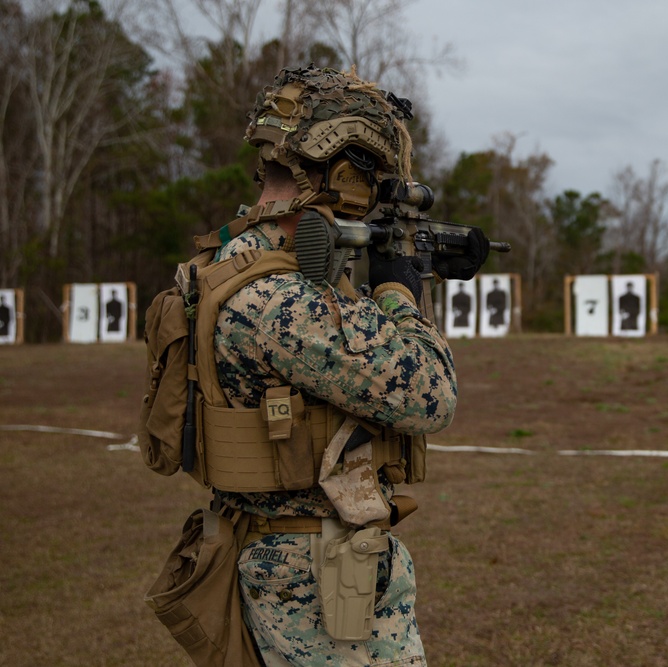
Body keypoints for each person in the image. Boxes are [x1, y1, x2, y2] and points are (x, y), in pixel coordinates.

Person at [199, 66, 483, 666]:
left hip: (280, 559)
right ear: (344, 173)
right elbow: (430, 394)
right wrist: (399, 292)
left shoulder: (232, 263)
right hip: (322, 585)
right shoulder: (278, 300)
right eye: (371, 178)